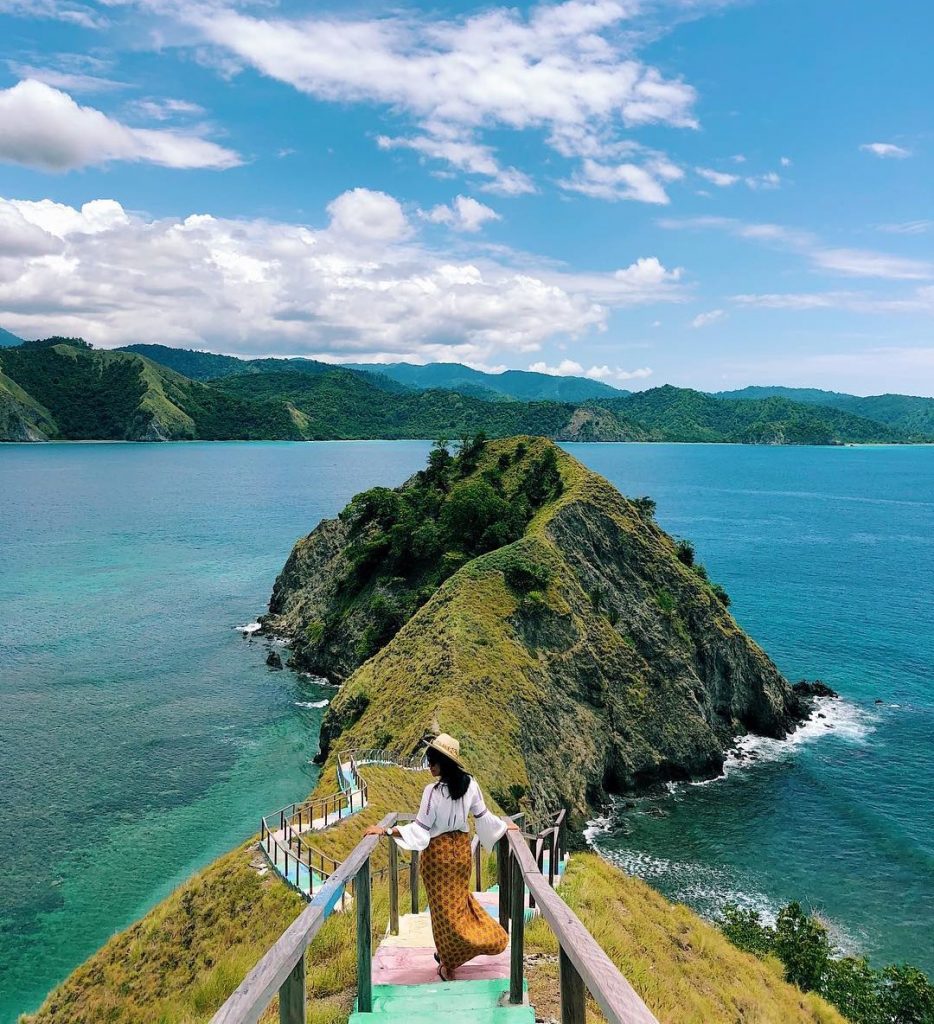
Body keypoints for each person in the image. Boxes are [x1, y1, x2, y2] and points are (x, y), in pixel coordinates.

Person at [364, 732, 519, 981]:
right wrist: (504, 826)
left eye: (432, 761)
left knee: (443, 914)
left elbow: (420, 829)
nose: (429, 766)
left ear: (442, 763)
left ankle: (449, 962)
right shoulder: (470, 784)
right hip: (461, 853)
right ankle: (455, 953)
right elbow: (483, 818)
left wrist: (386, 831)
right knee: (459, 906)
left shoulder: (432, 792)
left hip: (437, 858)